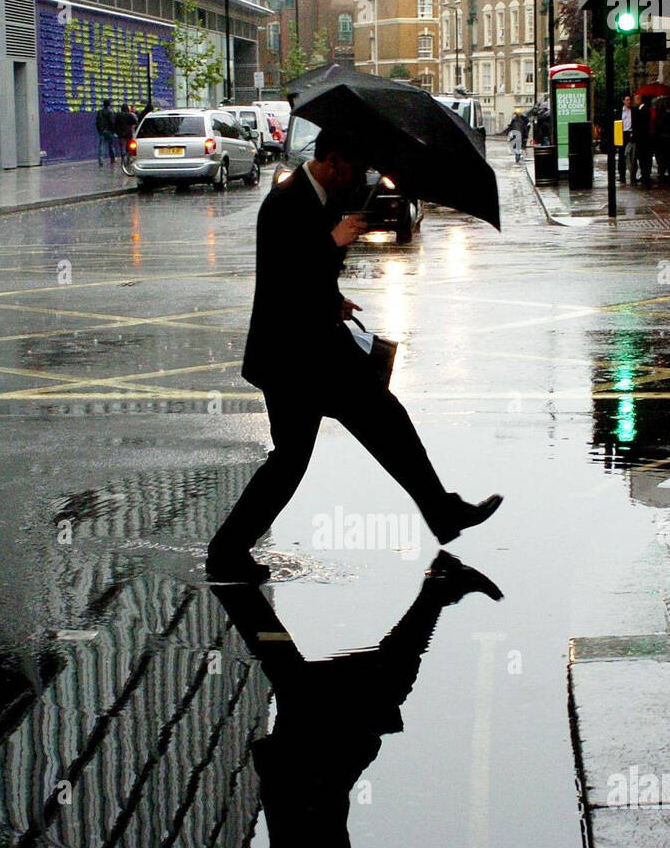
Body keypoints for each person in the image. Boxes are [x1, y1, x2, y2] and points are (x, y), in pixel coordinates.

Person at [206, 128, 503, 583]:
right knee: (365, 430)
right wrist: (333, 242)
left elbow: (303, 282)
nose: (359, 175)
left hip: (309, 351)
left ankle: (227, 550)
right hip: (296, 359)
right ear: (334, 160)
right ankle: (442, 513)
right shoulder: (287, 200)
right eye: (355, 165)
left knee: (347, 438)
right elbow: (284, 275)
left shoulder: (316, 196)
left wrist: (333, 298)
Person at [212, 550, 502, 848]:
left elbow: (314, 829)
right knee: (294, 671)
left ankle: (440, 585)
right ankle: (234, 584)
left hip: (310, 763)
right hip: (303, 764)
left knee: (384, 679)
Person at [631, 94, 652, 187]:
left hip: (643, 140)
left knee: (644, 159)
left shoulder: (644, 110)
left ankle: (645, 177)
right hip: (642, 140)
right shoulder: (639, 110)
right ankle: (644, 176)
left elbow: (640, 126)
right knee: (642, 159)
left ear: (639, 100)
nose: (634, 101)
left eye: (635, 99)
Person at [95, 98, 116, 167]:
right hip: (109, 131)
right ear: (109, 105)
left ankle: (101, 161)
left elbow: (97, 122)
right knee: (111, 146)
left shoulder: (99, 112)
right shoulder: (110, 112)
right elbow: (112, 122)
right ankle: (112, 158)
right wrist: (113, 131)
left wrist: (99, 130)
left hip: (102, 131)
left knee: (101, 147)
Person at [618, 94, 633, 184]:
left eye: (629, 100)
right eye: (627, 100)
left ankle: (632, 175)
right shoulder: (620, 112)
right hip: (622, 133)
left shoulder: (633, 111)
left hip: (630, 133)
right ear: (623, 101)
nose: (629, 102)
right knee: (621, 155)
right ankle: (622, 176)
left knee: (631, 154)